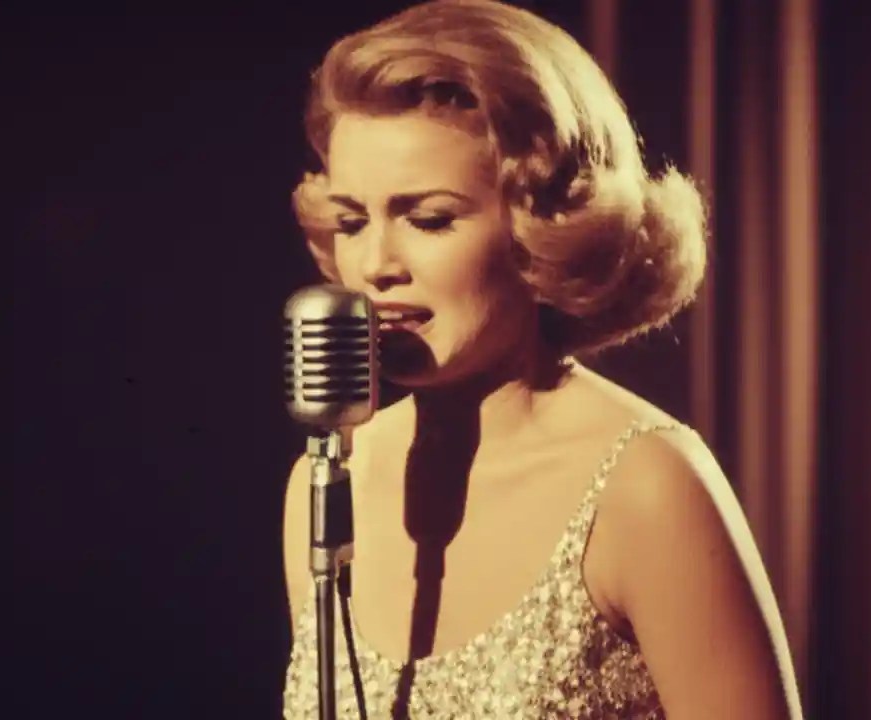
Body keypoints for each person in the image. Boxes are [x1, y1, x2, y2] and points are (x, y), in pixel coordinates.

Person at [279, 1, 802, 717]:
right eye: (350, 221)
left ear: (543, 227)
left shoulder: (648, 487)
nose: (373, 265)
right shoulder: (326, 484)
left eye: (427, 219)